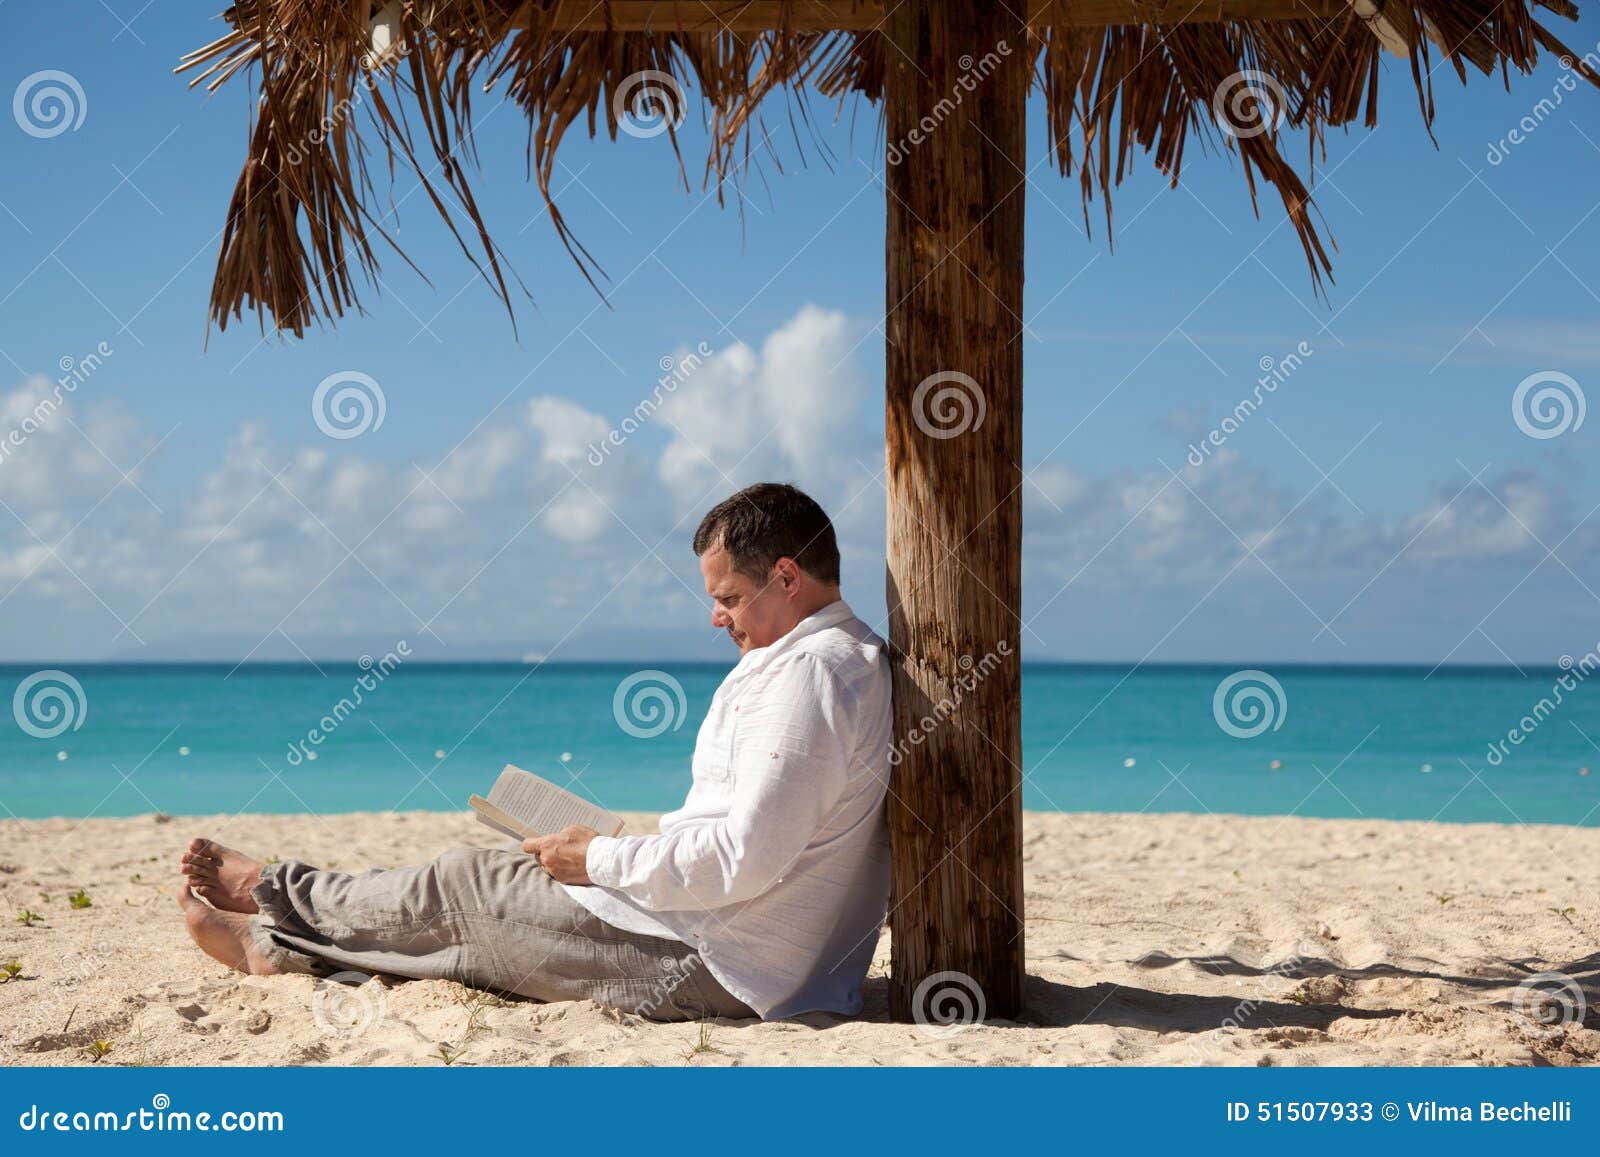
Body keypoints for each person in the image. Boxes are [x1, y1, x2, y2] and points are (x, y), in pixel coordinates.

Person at [179, 482, 893, 1021]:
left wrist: (600, 859)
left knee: (463, 885)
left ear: (788, 577)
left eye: (730, 596)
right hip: (735, 945)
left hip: (718, 961)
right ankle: (274, 947)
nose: (715, 615)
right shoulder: (833, 657)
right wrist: (608, 853)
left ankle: (273, 891)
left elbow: (747, 856)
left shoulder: (813, 673)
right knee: (478, 917)